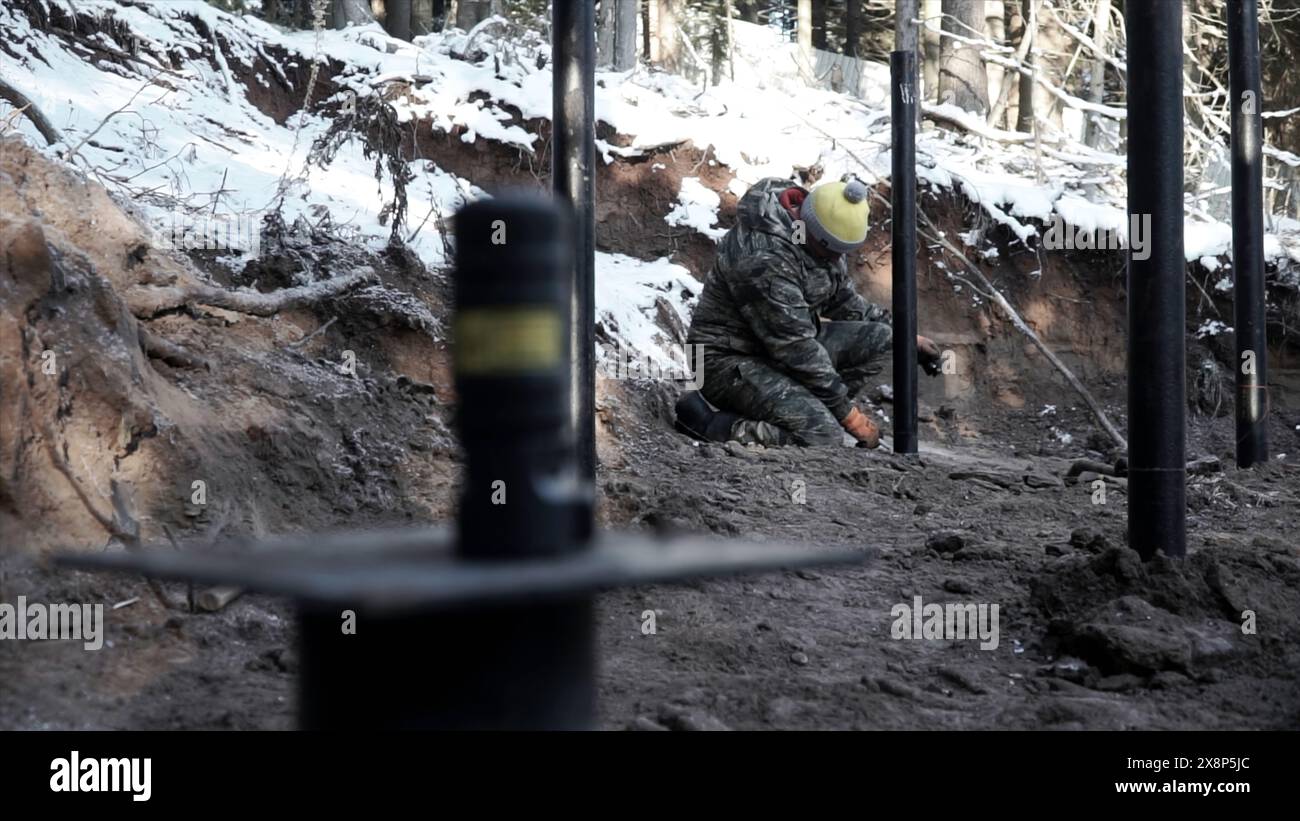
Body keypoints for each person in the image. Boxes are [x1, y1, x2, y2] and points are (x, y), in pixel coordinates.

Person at [675, 175, 941, 448]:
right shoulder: (764, 259)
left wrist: (909, 338)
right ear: (816, 236)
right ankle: (712, 424)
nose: (838, 259)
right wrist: (849, 417)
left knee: (885, 339)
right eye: (833, 251)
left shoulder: (817, 233)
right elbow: (797, 348)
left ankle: (797, 410)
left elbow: (844, 301)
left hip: (775, 352)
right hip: (725, 361)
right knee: (822, 436)